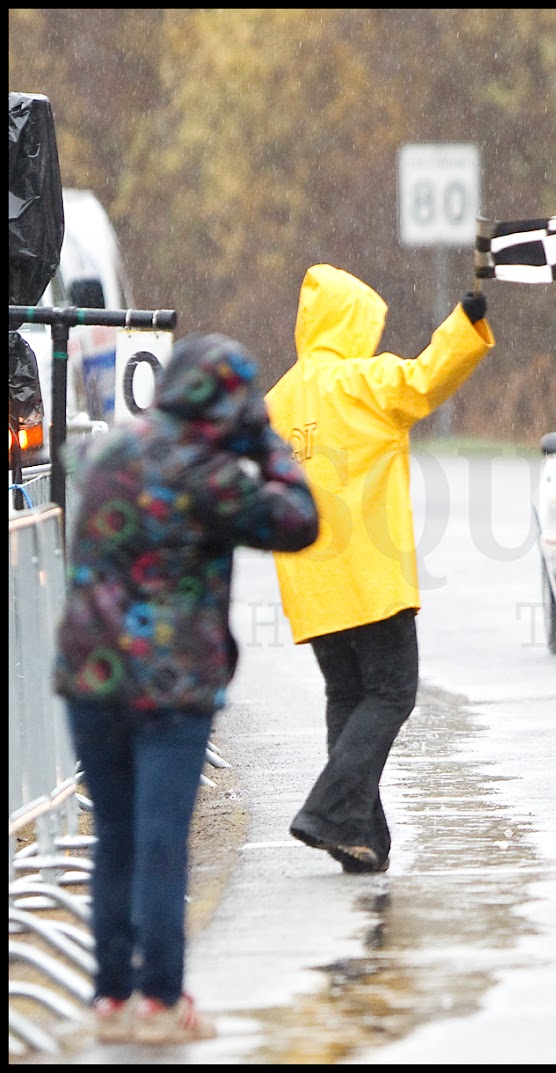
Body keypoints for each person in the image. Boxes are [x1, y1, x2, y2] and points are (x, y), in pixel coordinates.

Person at [54, 333, 319, 1044]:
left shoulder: (109, 450)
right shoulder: (214, 474)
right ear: (229, 404)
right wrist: (266, 443)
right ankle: (162, 1000)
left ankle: (111, 997)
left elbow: (72, 466)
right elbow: (300, 518)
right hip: (171, 685)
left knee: (115, 835)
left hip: (91, 674)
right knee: (163, 840)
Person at [266, 265, 493, 874]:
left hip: (310, 583)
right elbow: (427, 378)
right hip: (369, 576)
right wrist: (467, 322)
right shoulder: (364, 382)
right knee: (391, 694)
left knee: (347, 695)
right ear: (352, 323)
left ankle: (361, 839)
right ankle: (329, 812)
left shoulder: (278, 400)